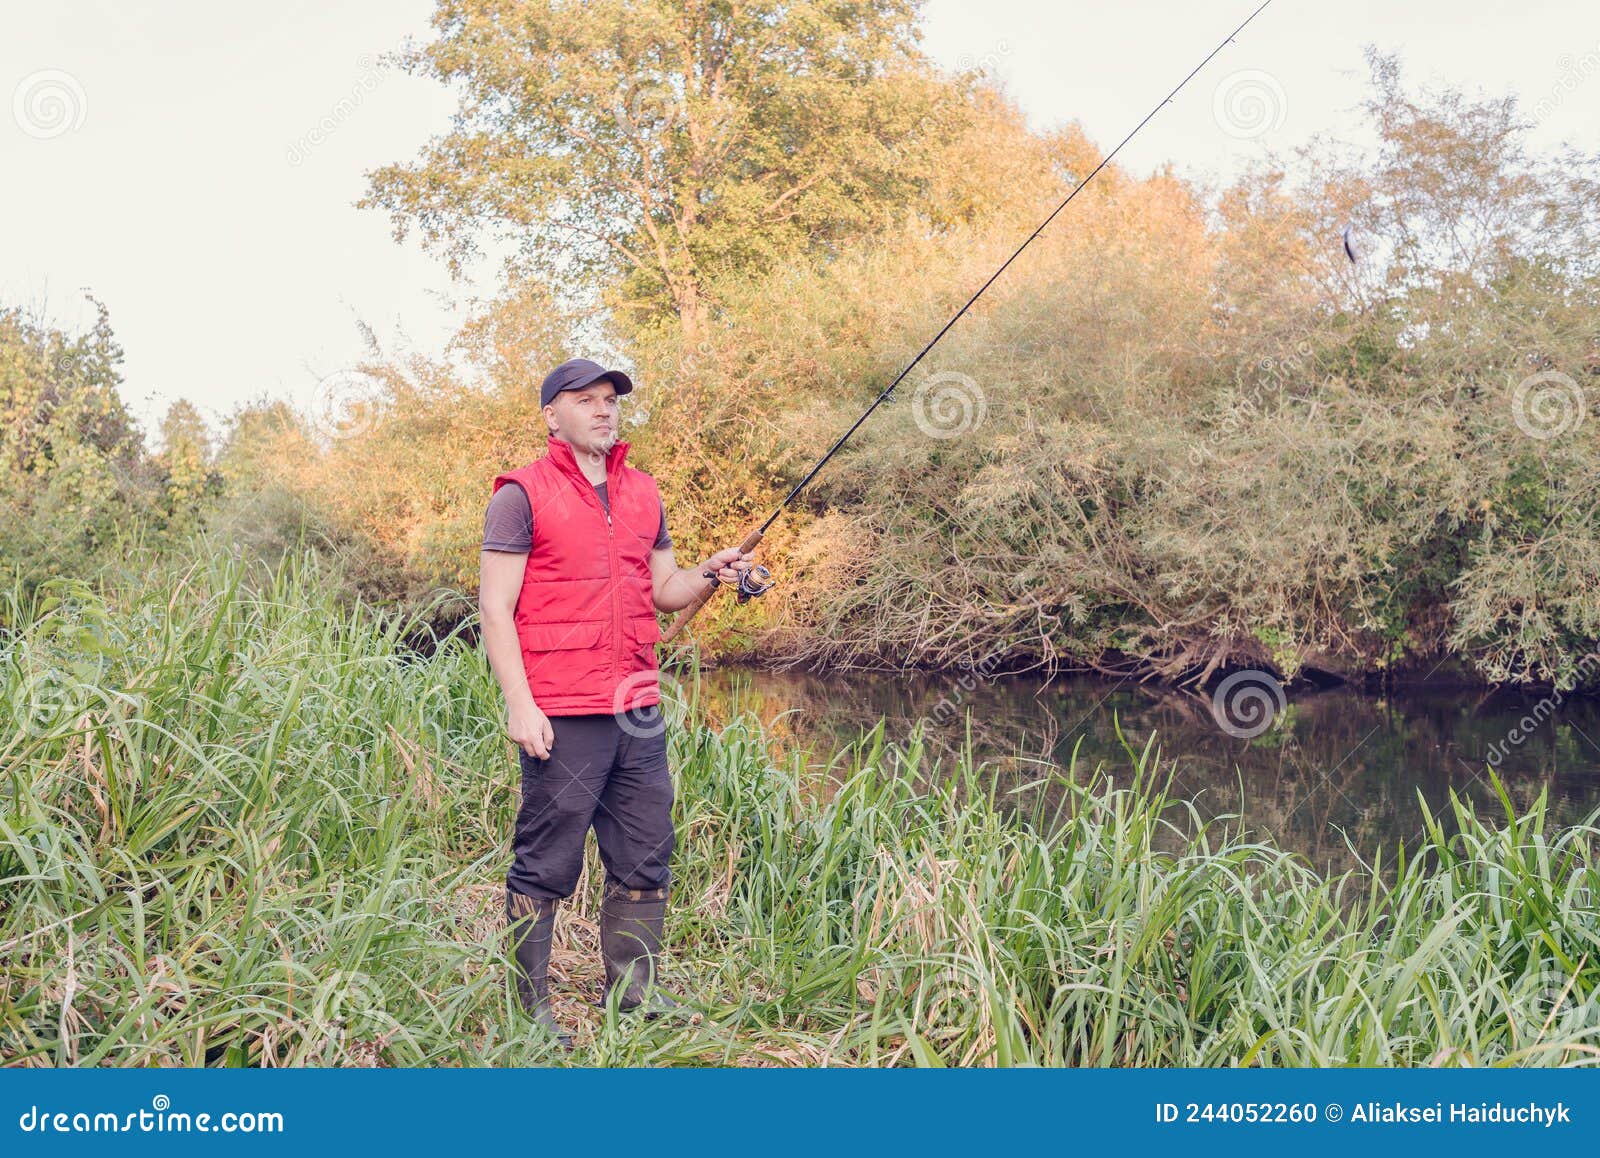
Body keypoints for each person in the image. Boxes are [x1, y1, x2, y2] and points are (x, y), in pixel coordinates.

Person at [478, 356, 754, 1048]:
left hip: (637, 704)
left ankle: (635, 998)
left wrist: (711, 574)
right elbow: (494, 606)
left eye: (611, 399)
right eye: (586, 400)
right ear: (552, 416)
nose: (604, 410)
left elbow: (665, 589)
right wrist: (520, 704)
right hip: (561, 709)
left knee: (644, 854)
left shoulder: (643, 493)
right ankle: (528, 1012)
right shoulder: (521, 494)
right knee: (546, 863)